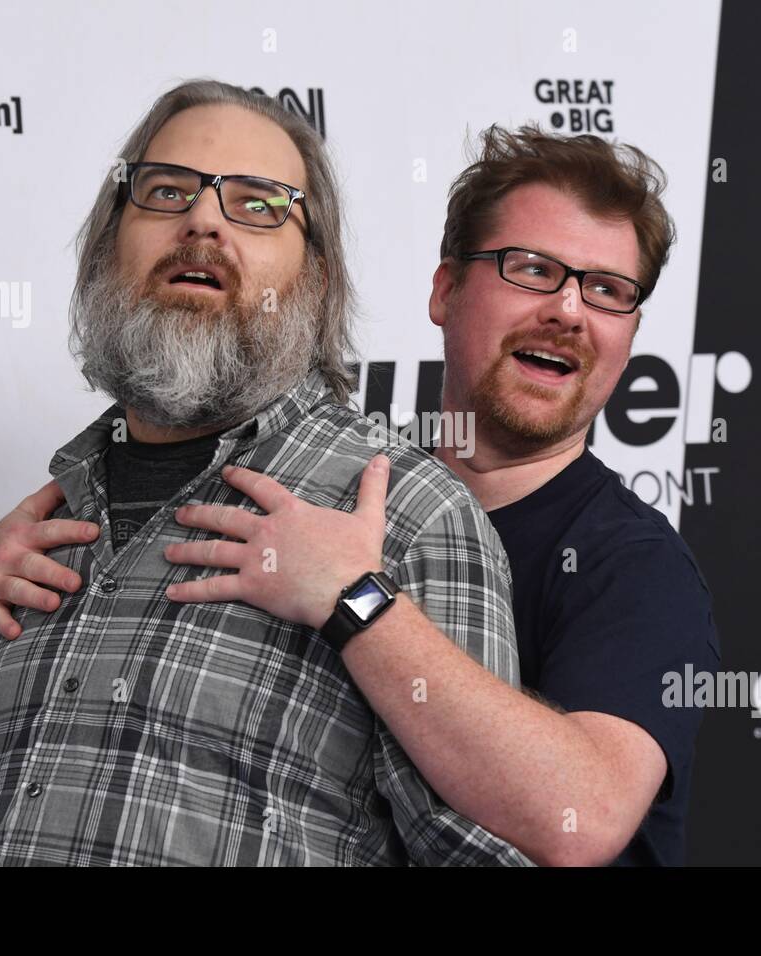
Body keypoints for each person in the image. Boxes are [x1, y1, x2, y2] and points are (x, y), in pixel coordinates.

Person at [0, 79, 530, 867]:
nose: (202, 220)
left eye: (258, 205)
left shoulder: (406, 513)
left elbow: (493, 854)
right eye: (165, 191)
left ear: (316, 279)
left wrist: (357, 602)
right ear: (104, 246)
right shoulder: (52, 514)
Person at [165, 128, 722, 865]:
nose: (569, 310)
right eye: (530, 268)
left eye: (608, 290)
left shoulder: (637, 568)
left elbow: (579, 816)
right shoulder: (322, 494)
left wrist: (354, 597)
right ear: (445, 290)